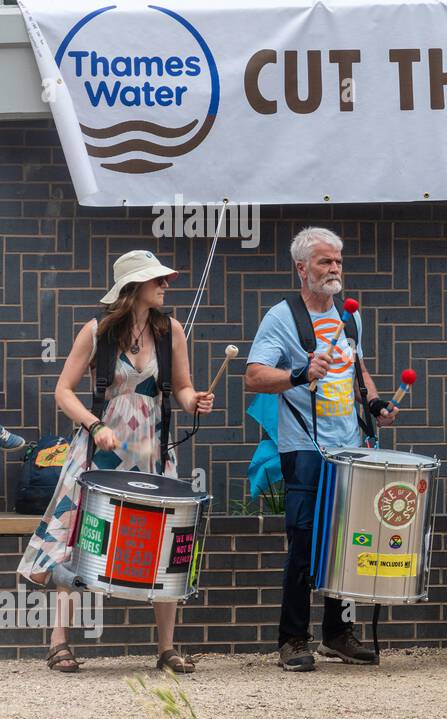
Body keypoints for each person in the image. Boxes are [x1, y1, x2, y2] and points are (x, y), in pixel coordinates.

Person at [19, 250, 214, 673]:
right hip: (99, 448)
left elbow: (180, 388)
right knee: (77, 535)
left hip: (151, 451)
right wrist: (93, 425)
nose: (165, 285)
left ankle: (166, 647)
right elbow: (63, 391)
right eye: (156, 280)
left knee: (164, 539)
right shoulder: (96, 331)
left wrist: (193, 401)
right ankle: (60, 643)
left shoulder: (171, 331)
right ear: (133, 287)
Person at [245, 227, 398, 672]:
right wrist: (299, 373)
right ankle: (293, 639)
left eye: (338, 262)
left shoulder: (350, 318)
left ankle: (337, 634)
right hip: (305, 447)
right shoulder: (282, 318)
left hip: (350, 445)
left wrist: (374, 402)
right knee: (305, 541)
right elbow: (254, 376)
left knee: (348, 540)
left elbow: (357, 371)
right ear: (302, 268)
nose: (334, 270)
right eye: (325, 262)